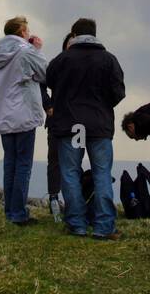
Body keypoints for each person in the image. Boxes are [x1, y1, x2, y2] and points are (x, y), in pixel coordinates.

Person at [45, 17, 125, 240]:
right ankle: (104, 226)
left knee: (70, 173)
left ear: (74, 34)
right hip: (99, 127)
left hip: (70, 126)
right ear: (95, 33)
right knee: (101, 173)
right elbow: (118, 92)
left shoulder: (62, 60)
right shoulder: (109, 59)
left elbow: (49, 81)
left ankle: (77, 224)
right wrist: (100, 105)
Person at [0, 16, 47, 226]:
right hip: (23, 116)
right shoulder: (25, 51)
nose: (30, 34)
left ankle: (9, 211)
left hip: (3, 116)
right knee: (23, 165)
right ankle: (18, 214)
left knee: (10, 164)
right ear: (21, 32)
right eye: (27, 30)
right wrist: (37, 49)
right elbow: (45, 73)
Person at [42, 31, 79, 222]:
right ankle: (54, 200)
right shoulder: (57, 63)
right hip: (56, 121)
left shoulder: (83, 65)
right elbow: (41, 83)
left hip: (77, 123)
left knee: (74, 162)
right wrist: (48, 105)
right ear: (65, 46)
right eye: (70, 43)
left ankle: (73, 203)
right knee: (55, 160)